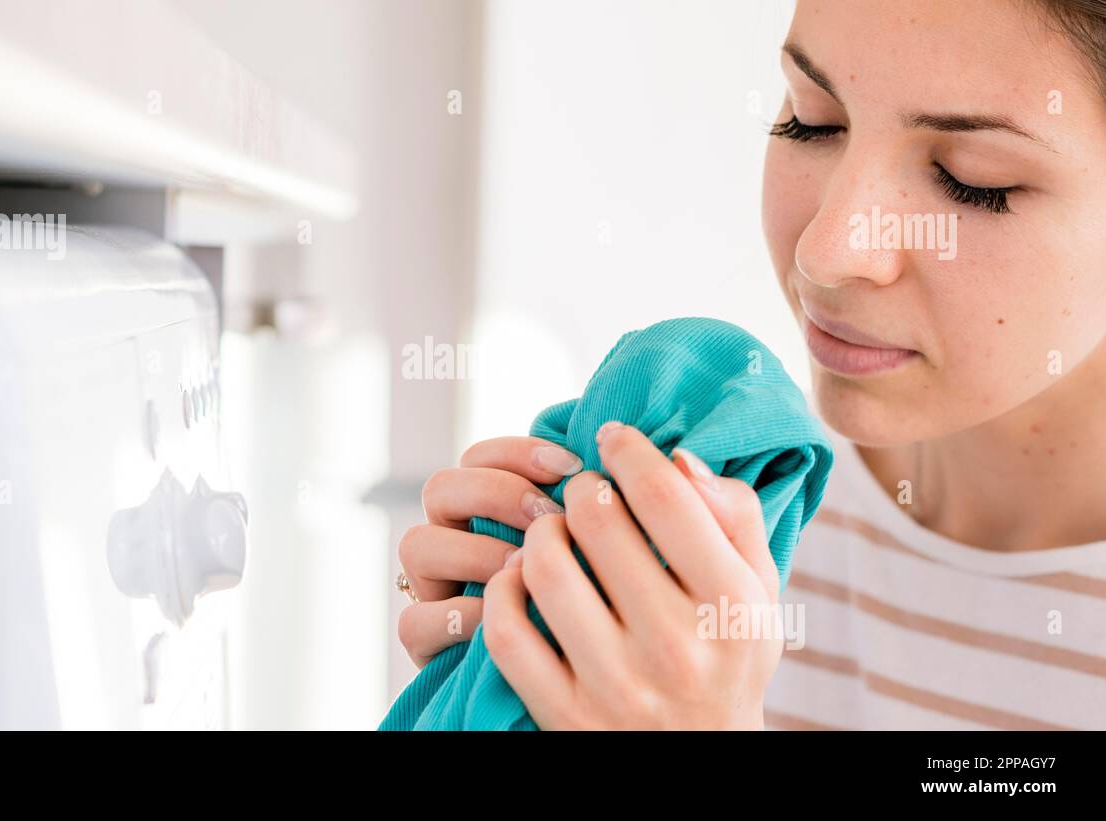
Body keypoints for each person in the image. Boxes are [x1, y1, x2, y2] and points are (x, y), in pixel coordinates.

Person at [394, 0, 1106, 729]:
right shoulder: (726, 504)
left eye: (971, 179)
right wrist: (496, 683)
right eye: (812, 118)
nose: (825, 251)